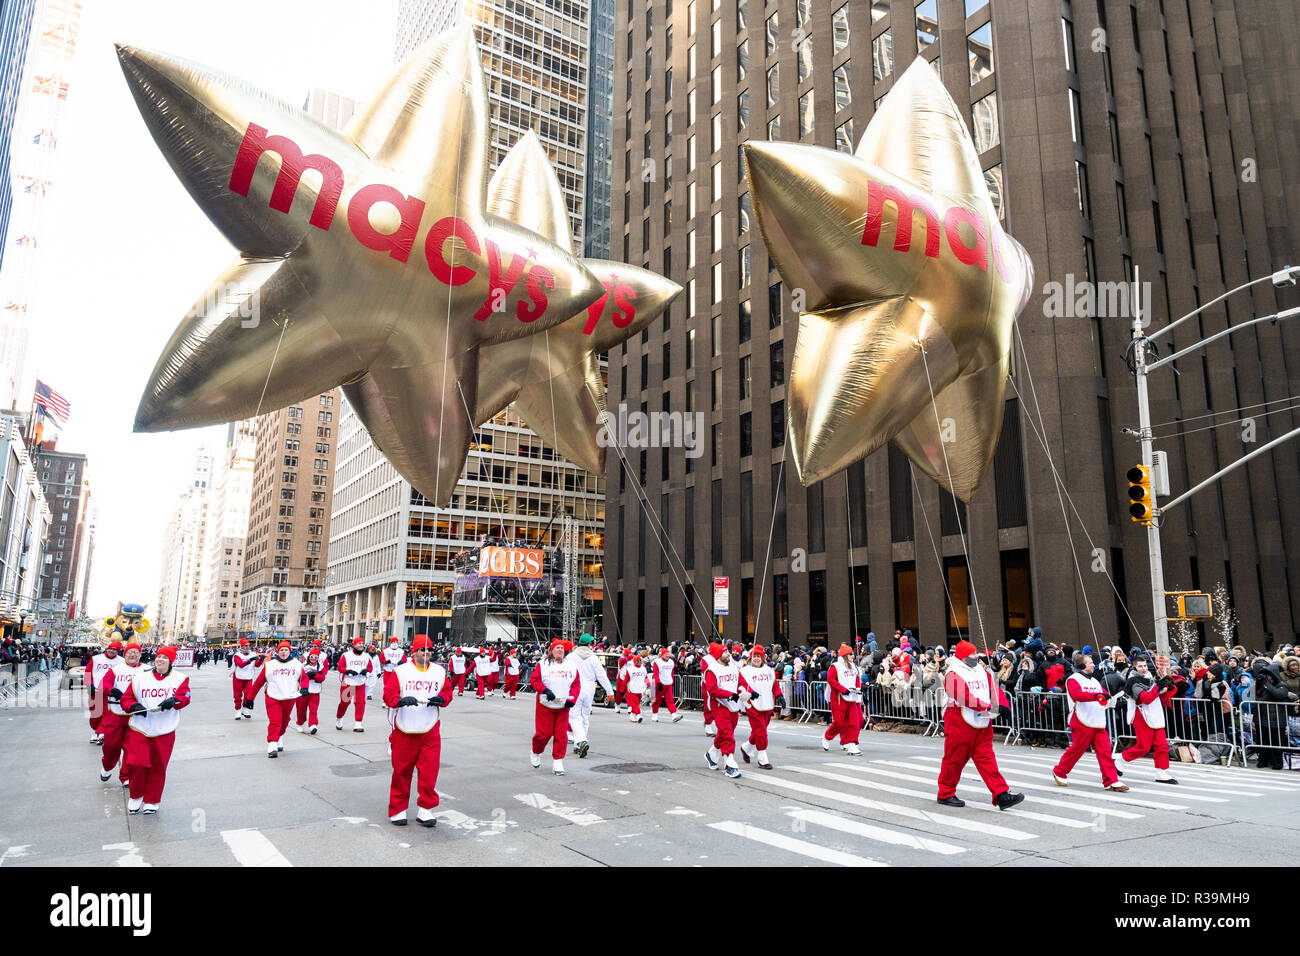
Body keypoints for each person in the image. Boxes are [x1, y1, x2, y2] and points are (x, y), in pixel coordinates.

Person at [936, 641, 1025, 810]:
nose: (976, 656)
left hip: (982, 722)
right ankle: (945, 793)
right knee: (954, 760)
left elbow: (994, 689)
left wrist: (1003, 705)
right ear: (963, 656)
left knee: (988, 759)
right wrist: (988, 706)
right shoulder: (953, 673)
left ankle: (1001, 794)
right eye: (972, 654)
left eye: (976, 653)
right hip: (959, 722)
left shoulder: (981, 670)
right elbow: (963, 696)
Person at [384, 634, 452, 827]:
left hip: (430, 728)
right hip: (405, 728)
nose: (427, 653)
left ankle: (426, 808)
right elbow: (389, 694)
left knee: (429, 771)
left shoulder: (439, 671)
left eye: (429, 649)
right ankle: (398, 809)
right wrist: (399, 701)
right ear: (414, 652)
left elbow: (447, 692)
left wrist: (442, 699)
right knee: (402, 771)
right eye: (423, 649)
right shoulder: (401, 671)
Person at [119, 646, 191, 814]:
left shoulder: (180, 678)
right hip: (140, 727)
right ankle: (136, 795)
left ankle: (152, 800)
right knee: (136, 763)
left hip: (165, 729)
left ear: (170, 661)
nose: (160, 660)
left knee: (158, 766)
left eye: (164, 658)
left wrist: (174, 701)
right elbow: (126, 699)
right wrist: (133, 706)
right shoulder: (139, 678)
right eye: (158, 656)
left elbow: (186, 697)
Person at [1051, 653, 1129, 791]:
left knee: (1105, 751)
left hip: (1097, 720)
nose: (1094, 665)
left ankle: (1111, 781)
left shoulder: (1095, 681)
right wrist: (1097, 696)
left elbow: (1104, 696)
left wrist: (1112, 700)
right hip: (1081, 720)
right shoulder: (1073, 679)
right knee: (1077, 749)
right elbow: (1077, 695)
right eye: (1090, 662)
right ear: (1082, 665)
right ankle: (1059, 771)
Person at [1119, 655, 1178, 783]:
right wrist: (1158, 686)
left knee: (1162, 745)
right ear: (1134, 667)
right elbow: (1146, 699)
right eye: (1140, 666)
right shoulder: (1133, 681)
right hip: (1142, 716)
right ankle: (1121, 759)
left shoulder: (1151, 678)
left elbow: (1167, 693)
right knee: (1143, 747)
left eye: (1145, 665)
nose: (1144, 668)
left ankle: (1161, 771)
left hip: (1155, 714)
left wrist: (1169, 685)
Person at [246, 641, 309, 757]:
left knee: (284, 721)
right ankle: (272, 744)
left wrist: (304, 687)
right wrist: (250, 698)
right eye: (281, 650)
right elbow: (258, 682)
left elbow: (304, 678)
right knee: (275, 721)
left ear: (290, 651)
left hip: (289, 697)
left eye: (286, 650)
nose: (283, 652)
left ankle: (279, 737)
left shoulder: (296, 664)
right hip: (273, 696)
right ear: (277, 651)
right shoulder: (270, 665)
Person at [529, 639, 581, 775]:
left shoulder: (571, 665)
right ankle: (536, 752)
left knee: (561, 735)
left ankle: (558, 761)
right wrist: (545, 690)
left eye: (562, 648)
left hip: (563, 706)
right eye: (557, 648)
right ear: (552, 650)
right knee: (543, 734)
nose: (560, 650)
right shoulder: (543, 664)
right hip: (545, 705)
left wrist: (572, 699)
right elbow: (534, 680)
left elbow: (576, 685)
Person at [96, 642, 145, 786]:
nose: (132, 655)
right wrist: (112, 690)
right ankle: (107, 766)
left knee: (131, 748)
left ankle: (126, 776)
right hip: (116, 713)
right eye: (129, 652)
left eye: (136, 652)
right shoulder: (116, 669)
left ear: (140, 654)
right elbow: (104, 684)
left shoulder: (147, 670)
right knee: (111, 746)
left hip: (135, 714)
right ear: (124, 655)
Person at [703, 643, 753, 778]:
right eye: (725, 653)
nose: (728, 654)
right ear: (718, 655)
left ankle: (711, 754)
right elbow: (712, 690)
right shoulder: (712, 670)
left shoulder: (733, 667)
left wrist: (747, 692)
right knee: (727, 734)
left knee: (725, 732)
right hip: (720, 705)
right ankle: (730, 764)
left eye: (727, 652)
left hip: (734, 705)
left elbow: (741, 682)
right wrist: (729, 695)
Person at [739, 645, 784, 769]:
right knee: (761, 731)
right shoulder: (745, 671)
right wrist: (750, 693)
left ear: (763, 658)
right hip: (752, 704)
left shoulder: (768, 670)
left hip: (767, 704)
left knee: (760, 730)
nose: (756, 659)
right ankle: (762, 758)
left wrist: (779, 695)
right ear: (750, 658)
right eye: (754, 656)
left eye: (758, 656)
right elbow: (741, 686)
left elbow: (774, 686)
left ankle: (746, 748)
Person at [569, 634, 613, 755]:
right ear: (589, 644)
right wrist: (609, 691)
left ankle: (580, 741)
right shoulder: (594, 658)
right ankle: (579, 743)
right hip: (589, 688)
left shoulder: (571, 657)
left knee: (574, 716)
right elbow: (601, 676)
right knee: (585, 716)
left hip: (575, 688)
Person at [822, 644, 865, 756]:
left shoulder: (853, 666)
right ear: (845, 655)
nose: (853, 656)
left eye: (853, 654)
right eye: (851, 654)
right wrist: (843, 689)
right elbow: (831, 680)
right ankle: (827, 737)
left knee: (854, 722)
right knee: (839, 723)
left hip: (852, 698)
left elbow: (856, 679)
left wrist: (858, 689)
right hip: (839, 698)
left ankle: (852, 744)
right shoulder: (835, 666)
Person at [86, 641, 123, 744]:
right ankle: (97, 731)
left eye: (115, 650)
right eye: (110, 649)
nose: (112, 651)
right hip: (96, 690)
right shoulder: (96, 659)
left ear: (118, 651)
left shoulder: (122, 661)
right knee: (95, 713)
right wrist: (89, 685)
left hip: (111, 692)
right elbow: (88, 672)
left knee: (106, 713)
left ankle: (102, 733)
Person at [335, 637, 373, 732]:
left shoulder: (366, 656)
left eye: (362, 643)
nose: (361, 645)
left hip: (360, 682)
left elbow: (370, 668)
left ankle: (358, 723)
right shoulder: (346, 655)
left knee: (360, 702)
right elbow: (340, 667)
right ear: (354, 645)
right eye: (359, 643)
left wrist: (366, 671)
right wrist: (347, 671)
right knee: (345, 702)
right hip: (348, 682)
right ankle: (339, 718)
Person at [296, 643, 329, 734]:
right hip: (303, 691)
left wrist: (314, 675)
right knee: (301, 709)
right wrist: (307, 676)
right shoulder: (302, 666)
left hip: (315, 691)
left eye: (315, 657)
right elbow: (299, 678)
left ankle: (313, 725)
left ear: (318, 658)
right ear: (309, 657)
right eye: (312, 656)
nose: (313, 658)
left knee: (313, 709)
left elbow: (322, 678)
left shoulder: (321, 667)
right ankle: (300, 723)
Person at [649, 646, 683, 722]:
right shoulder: (657, 662)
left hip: (668, 684)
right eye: (666, 654)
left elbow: (672, 672)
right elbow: (656, 674)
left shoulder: (671, 662)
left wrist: (672, 681)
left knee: (670, 700)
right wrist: (658, 683)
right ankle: (654, 714)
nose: (667, 656)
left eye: (668, 654)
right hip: (660, 684)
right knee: (657, 700)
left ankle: (674, 715)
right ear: (662, 655)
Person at [232, 638, 261, 720]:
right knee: (237, 695)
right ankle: (238, 710)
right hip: (238, 677)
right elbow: (240, 664)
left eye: (248, 645)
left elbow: (257, 665)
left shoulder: (253, 654)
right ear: (242, 646)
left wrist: (261, 660)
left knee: (248, 694)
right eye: (246, 645)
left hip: (248, 677)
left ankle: (245, 709)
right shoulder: (237, 655)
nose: (248, 647)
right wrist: (250, 660)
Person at [622, 652, 649, 723]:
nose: (639, 662)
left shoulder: (643, 669)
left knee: (637, 703)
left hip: (640, 688)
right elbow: (626, 680)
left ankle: (632, 715)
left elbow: (645, 677)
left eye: (640, 660)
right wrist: (622, 688)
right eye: (637, 661)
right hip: (632, 688)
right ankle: (638, 715)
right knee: (635, 703)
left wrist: (648, 683)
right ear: (634, 662)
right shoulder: (630, 669)